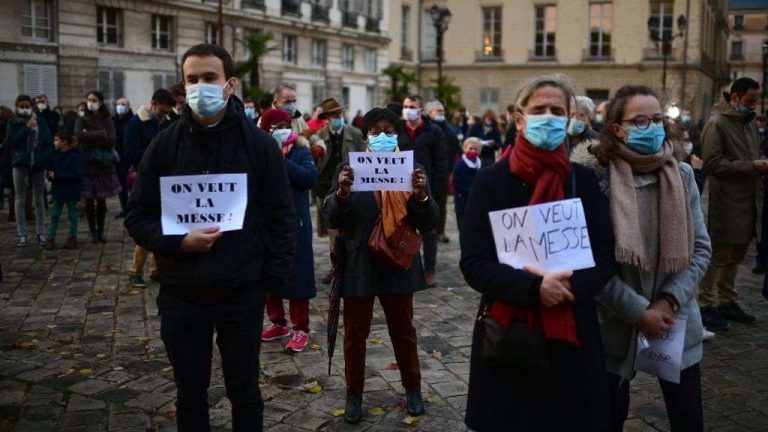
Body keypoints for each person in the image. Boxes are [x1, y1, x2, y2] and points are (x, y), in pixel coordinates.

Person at [124, 43, 295, 431]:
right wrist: (177, 242)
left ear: (229, 84)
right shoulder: (164, 145)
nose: (201, 86)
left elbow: (281, 217)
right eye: (192, 79)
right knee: (190, 394)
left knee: (245, 392)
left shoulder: (260, 146)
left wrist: (270, 280)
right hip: (182, 291)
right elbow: (137, 215)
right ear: (184, 87)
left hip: (241, 292)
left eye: (210, 78)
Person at [460, 74, 615, 431]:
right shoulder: (491, 181)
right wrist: (533, 289)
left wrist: (567, 287)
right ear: (519, 118)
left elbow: (605, 255)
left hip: (573, 329)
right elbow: (474, 262)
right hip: (510, 333)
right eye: (539, 109)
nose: (549, 117)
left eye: (557, 111)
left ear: (570, 119)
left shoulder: (584, 180)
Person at [595, 84, 711, 432]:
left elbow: (701, 249)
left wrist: (668, 300)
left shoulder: (683, 174)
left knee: (687, 416)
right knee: (609, 414)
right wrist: (636, 309)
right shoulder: (597, 179)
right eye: (640, 120)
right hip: (615, 322)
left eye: (658, 119)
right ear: (617, 128)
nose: (652, 127)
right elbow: (591, 263)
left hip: (673, 318)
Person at [323, 107, 438, 425]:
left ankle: (412, 389)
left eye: (390, 130)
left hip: (398, 261)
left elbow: (429, 221)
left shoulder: (411, 167)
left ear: (398, 134)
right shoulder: (350, 167)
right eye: (376, 131)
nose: (383, 136)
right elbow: (330, 215)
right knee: (355, 334)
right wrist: (343, 194)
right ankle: (354, 395)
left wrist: (421, 196)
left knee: (404, 332)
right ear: (366, 135)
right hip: (359, 261)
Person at [698, 77, 765, 330]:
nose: (754, 105)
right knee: (718, 254)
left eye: (756, 100)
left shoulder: (748, 124)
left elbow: (751, 155)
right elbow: (712, 163)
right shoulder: (717, 123)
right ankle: (706, 305)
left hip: (748, 199)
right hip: (724, 201)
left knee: (736, 253)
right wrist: (751, 166)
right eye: (749, 100)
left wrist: (758, 164)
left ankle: (726, 300)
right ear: (734, 98)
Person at [258, 108, 318, 352]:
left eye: (285, 125)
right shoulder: (260, 152)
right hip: (269, 224)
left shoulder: (301, 150)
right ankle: (277, 322)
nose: (281, 129)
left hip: (297, 224)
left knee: (298, 276)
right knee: (270, 275)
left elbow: (309, 178)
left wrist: (281, 161)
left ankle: (300, 328)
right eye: (275, 127)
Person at [123, 89, 175, 287]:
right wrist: (155, 155)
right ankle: (135, 270)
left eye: (166, 112)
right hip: (145, 179)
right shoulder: (135, 123)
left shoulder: (166, 123)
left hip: (165, 179)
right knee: (147, 224)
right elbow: (130, 152)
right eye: (161, 111)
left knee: (165, 223)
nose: (164, 115)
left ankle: (156, 269)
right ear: (153, 104)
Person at [313, 97, 366, 284]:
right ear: (327, 117)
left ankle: (353, 265)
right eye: (333, 114)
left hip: (352, 188)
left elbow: (364, 158)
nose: (337, 117)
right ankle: (336, 267)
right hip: (326, 189)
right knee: (332, 231)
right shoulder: (319, 135)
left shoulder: (355, 133)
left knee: (352, 227)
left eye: (339, 113)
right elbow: (314, 164)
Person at [398, 95, 448, 288]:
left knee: (429, 231)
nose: (407, 109)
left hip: (426, 187)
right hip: (402, 188)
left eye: (411, 106)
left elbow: (441, 162)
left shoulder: (434, 131)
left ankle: (429, 270)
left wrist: (436, 189)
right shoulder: (398, 131)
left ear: (420, 110)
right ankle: (405, 265)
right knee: (403, 228)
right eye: (405, 106)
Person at [6, 94, 52, 246]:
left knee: (39, 198)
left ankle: (41, 232)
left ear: (32, 106)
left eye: (27, 105)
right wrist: (26, 128)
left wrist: (44, 160)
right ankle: (22, 234)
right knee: (20, 198)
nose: (25, 109)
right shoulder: (12, 122)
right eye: (22, 106)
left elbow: (47, 142)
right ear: (17, 107)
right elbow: (12, 142)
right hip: (20, 162)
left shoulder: (41, 122)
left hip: (37, 164)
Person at [76, 91, 121, 243]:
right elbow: (79, 136)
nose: (90, 102)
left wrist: (90, 137)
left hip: (103, 165)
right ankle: (92, 231)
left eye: (94, 100)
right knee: (89, 200)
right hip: (87, 163)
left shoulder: (107, 120)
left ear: (100, 102)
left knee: (101, 200)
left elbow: (111, 140)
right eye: (89, 100)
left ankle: (100, 231)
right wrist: (100, 134)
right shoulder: (82, 119)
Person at [426, 100, 460, 244]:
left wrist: (452, 169)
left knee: (441, 205)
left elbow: (456, 150)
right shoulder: (426, 129)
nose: (441, 113)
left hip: (444, 172)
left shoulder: (449, 130)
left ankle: (440, 231)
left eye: (442, 111)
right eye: (438, 111)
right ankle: (425, 231)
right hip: (426, 172)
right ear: (429, 113)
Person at [45, 130, 83, 250]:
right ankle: (51, 237)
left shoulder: (74, 156)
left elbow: (76, 174)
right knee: (55, 214)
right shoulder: (54, 155)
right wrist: (50, 175)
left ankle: (72, 236)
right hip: (58, 189)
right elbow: (50, 169)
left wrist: (57, 175)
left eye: (57, 140)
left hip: (70, 190)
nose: (54, 142)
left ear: (65, 142)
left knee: (72, 214)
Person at [452, 137, 483, 236]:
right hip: (462, 202)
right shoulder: (459, 165)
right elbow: (457, 183)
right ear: (465, 149)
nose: (473, 151)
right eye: (470, 148)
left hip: (477, 202)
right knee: (463, 229)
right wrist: (472, 191)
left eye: (475, 149)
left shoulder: (481, 165)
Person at [113, 97, 134, 217]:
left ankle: (132, 208)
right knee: (121, 185)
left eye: (123, 104)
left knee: (132, 184)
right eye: (118, 104)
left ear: (128, 107)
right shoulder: (113, 120)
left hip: (129, 157)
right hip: (117, 157)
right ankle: (124, 208)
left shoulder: (132, 120)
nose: (120, 106)